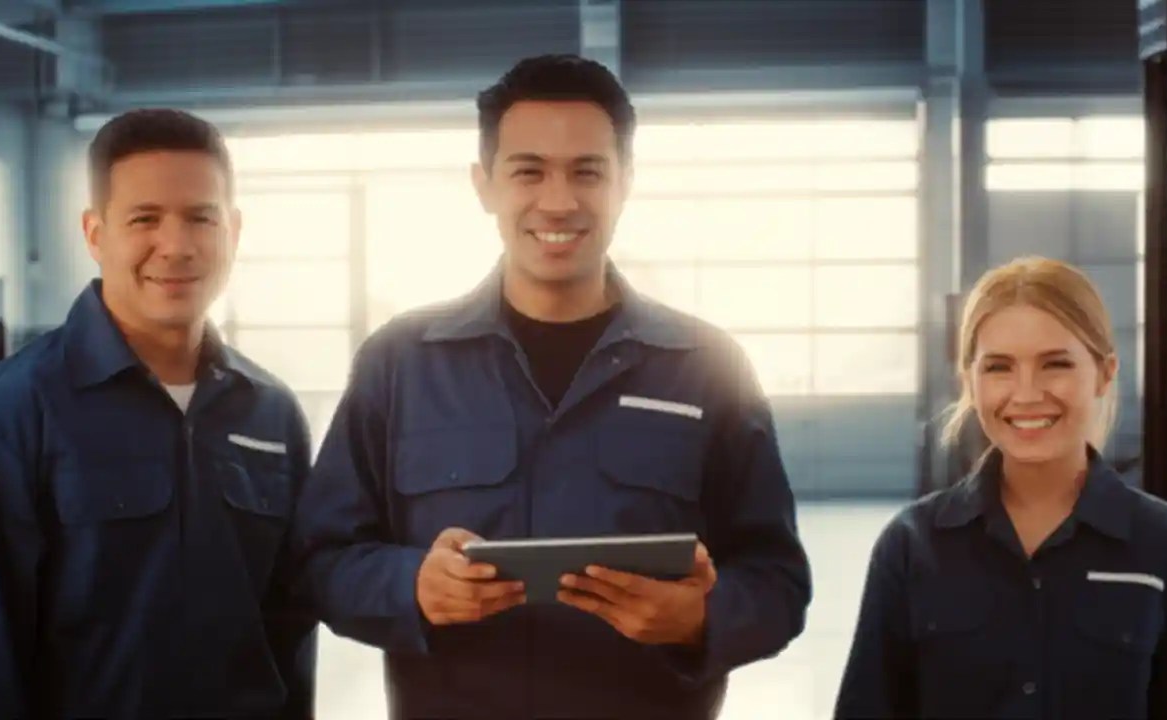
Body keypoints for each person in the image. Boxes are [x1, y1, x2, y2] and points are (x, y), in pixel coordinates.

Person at [292, 54, 811, 719]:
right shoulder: (399, 363)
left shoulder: (708, 364)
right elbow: (321, 562)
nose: (558, 200)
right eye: (528, 170)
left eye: (587, 171)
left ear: (626, 182)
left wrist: (700, 617)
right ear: (485, 185)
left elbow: (778, 581)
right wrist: (409, 587)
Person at [0, 109, 317, 718]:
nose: (176, 245)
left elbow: (291, 630)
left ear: (234, 230)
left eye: (202, 217)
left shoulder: (270, 414)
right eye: (145, 218)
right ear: (95, 234)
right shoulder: (10, 412)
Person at [834, 256, 1167, 719]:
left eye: (1055, 364)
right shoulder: (911, 547)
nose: (1026, 393)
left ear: (1104, 372)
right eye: (999, 367)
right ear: (969, 381)